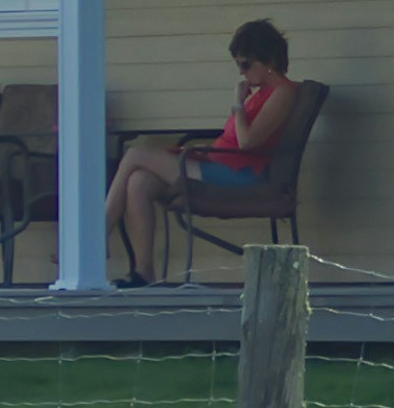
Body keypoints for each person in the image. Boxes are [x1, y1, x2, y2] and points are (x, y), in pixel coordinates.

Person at [109, 19, 309, 283]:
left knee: (135, 154)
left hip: (238, 175)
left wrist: (238, 105)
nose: (241, 73)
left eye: (245, 64)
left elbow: (247, 142)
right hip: (219, 165)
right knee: (139, 182)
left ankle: (96, 236)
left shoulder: (282, 93)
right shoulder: (263, 93)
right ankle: (143, 271)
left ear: (269, 60)